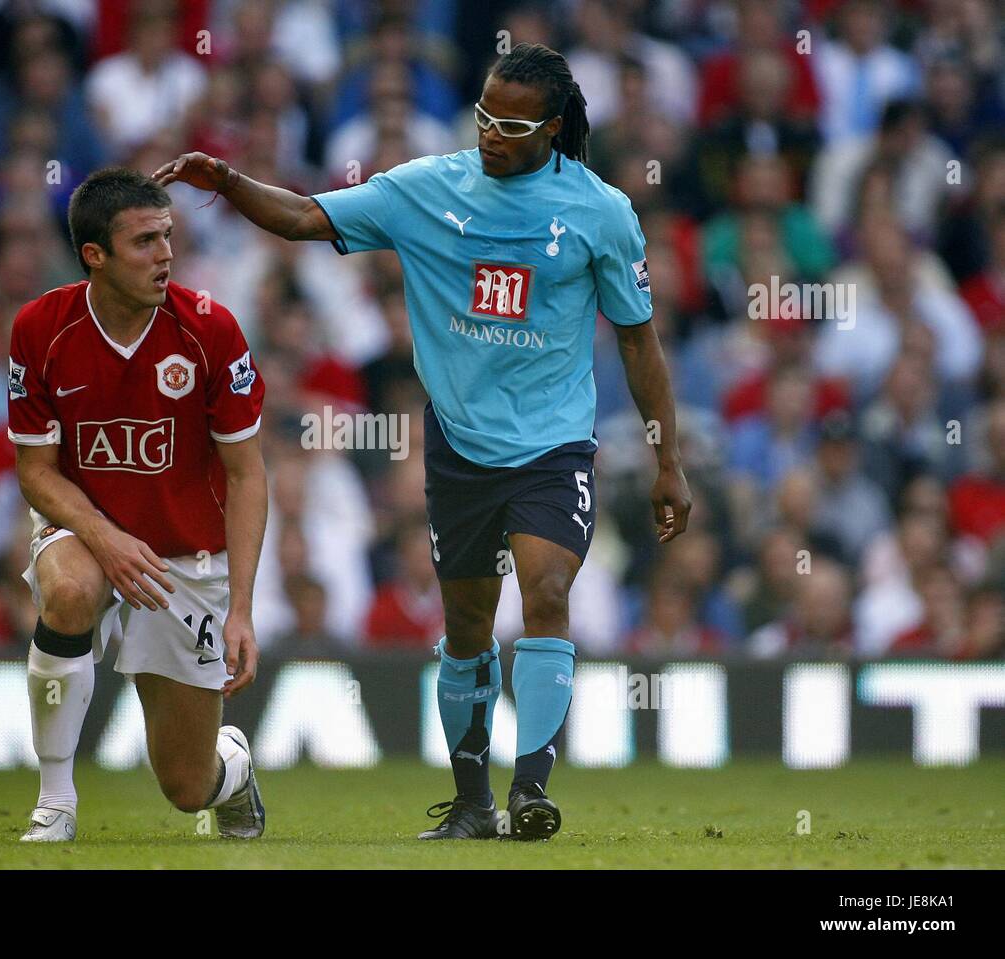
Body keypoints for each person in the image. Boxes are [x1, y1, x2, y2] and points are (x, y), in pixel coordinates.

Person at [157, 42, 691, 840]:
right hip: (460, 447)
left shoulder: (600, 211)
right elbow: (307, 215)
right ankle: (472, 802)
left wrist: (667, 460)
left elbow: (639, 341)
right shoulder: (426, 189)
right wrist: (230, 182)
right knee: (469, 626)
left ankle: (531, 791)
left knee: (546, 593)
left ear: (551, 129)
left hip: (554, 445)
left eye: (511, 123)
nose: (490, 133)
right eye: (483, 114)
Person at [8, 168, 268, 842]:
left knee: (186, 788)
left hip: (186, 555)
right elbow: (35, 472)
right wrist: (102, 535)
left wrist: (240, 607)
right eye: (146, 241)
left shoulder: (210, 330)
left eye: (169, 236)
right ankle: (55, 802)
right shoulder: (41, 329)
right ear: (94, 254)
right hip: (87, 528)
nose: (166, 254)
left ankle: (232, 768)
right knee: (68, 591)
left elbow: (247, 475)